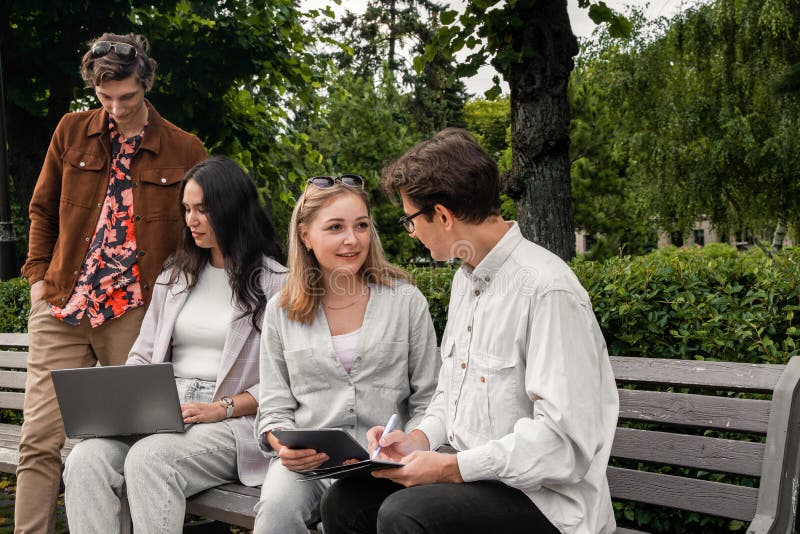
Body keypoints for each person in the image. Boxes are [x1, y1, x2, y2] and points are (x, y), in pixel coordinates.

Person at [320, 129, 620, 534]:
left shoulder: (548, 290)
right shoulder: (467, 279)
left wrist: (451, 468)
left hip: (548, 503)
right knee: (345, 500)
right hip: (479, 481)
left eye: (411, 220)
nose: (412, 232)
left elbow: (564, 443)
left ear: (442, 216)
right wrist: (418, 441)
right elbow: (451, 395)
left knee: (405, 514)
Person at [17, 32, 207, 532]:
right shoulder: (71, 130)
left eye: (128, 96)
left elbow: (197, 232)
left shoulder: (184, 147)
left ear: (145, 83)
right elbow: (41, 209)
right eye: (105, 98)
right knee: (39, 437)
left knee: (128, 442)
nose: (117, 108)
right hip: (63, 306)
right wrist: (38, 279)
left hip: (132, 314)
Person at [61, 156, 287, 532]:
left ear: (232, 208)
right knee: (86, 458)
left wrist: (223, 408)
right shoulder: (175, 276)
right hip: (163, 409)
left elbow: (288, 380)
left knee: (151, 458)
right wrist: (125, 403)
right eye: (186, 209)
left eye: (203, 209)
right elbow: (144, 355)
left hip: (231, 420)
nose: (191, 220)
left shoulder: (276, 283)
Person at [252, 174, 439, 533]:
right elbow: (273, 407)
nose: (352, 240)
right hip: (309, 467)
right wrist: (281, 442)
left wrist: (413, 447)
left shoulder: (405, 301)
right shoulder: (281, 310)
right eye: (335, 227)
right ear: (306, 236)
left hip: (385, 464)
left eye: (361, 226)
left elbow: (430, 398)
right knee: (275, 512)